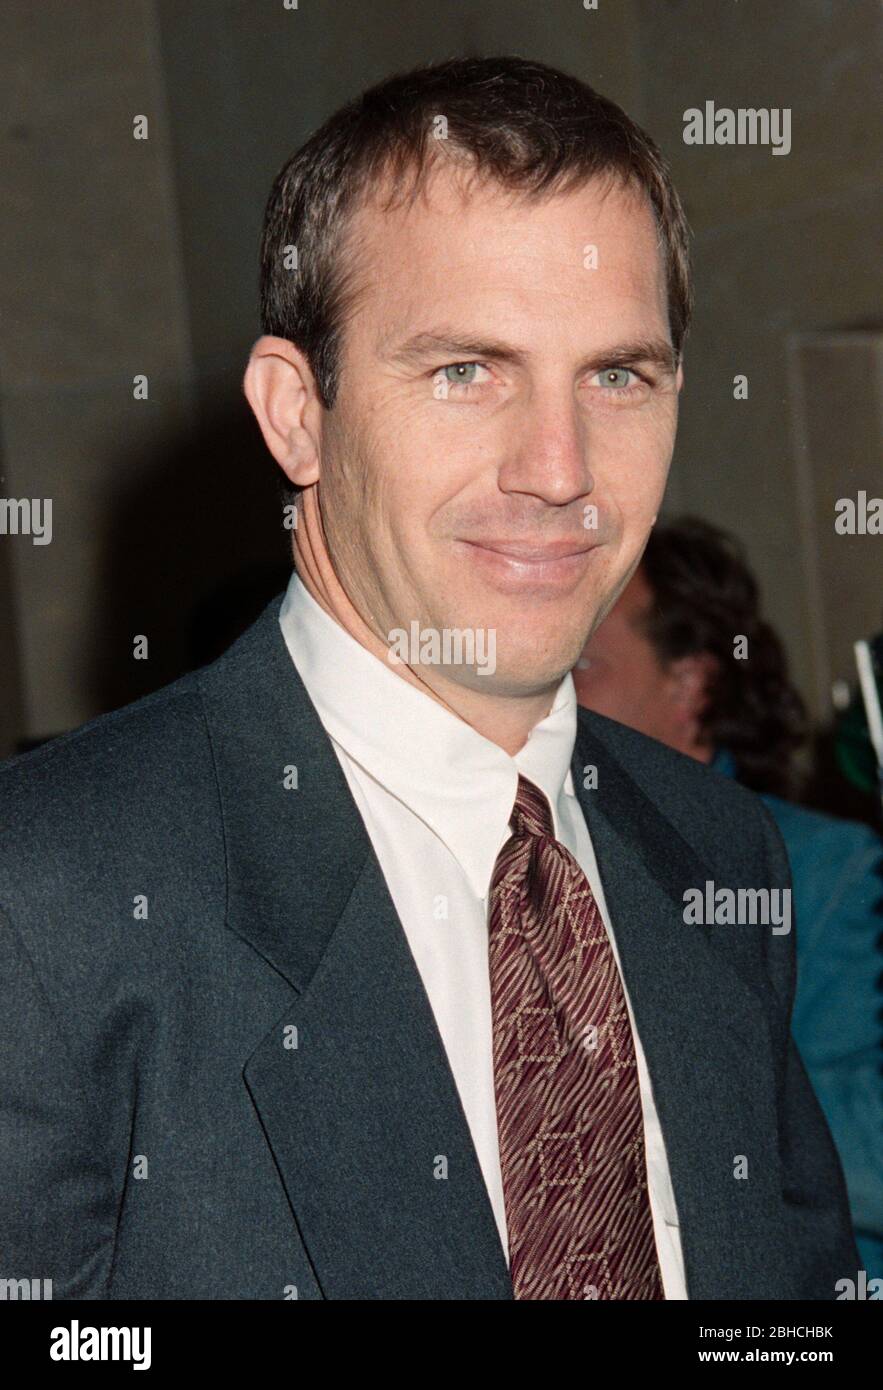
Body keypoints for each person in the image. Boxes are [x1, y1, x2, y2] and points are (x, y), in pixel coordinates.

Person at [0, 57, 860, 1301]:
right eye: (466, 371)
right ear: (297, 414)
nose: (560, 470)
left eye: (616, 376)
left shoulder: (718, 854)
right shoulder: (51, 896)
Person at [573, 514, 883, 1278]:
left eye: (581, 668)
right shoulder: (526, 861)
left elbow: (868, 1144)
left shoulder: (824, 869)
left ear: (688, 685)